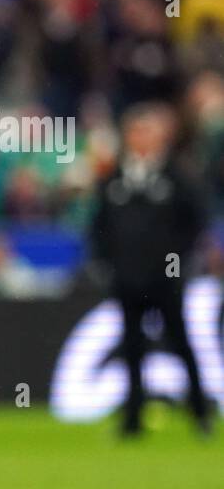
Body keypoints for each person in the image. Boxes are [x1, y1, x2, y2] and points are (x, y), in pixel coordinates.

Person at [90, 102, 213, 436]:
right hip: (128, 278)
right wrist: (106, 263)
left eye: (148, 132)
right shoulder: (115, 177)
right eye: (136, 131)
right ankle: (132, 419)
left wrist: (179, 260)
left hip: (166, 279)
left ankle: (201, 413)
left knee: (180, 342)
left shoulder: (177, 176)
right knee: (131, 347)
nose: (141, 139)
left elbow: (197, 222)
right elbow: (98, 225)